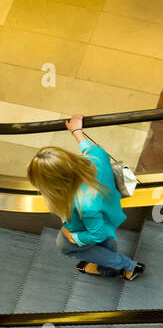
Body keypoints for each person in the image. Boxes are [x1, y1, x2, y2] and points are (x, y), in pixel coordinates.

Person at [27, 115, 144, 281]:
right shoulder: (96, 156)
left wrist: (73, 237)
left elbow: (97, 234)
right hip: (109, 211)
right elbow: (88, 150)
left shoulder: (81, 203)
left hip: (88, 224)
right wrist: (76, 132)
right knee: (106, 242)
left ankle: (128, 266)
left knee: (65, 246)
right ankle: (108, 268)